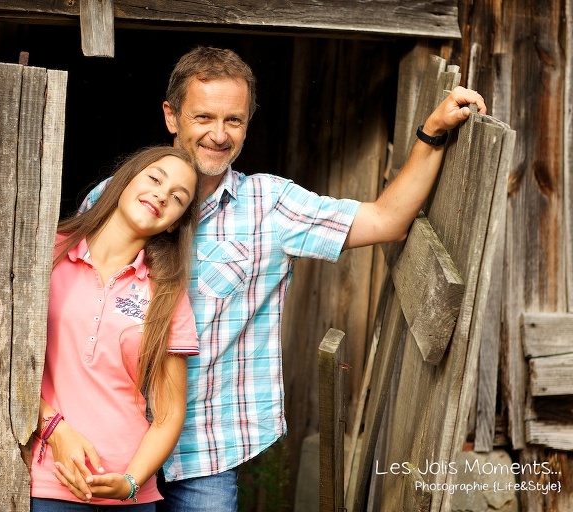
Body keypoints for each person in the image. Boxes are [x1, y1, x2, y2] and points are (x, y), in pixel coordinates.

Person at [63, 46, 488, 511]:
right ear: (171, 116)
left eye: (234, 120)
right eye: (203, 117)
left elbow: (386, 220)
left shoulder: (270, 205)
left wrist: (431, 133)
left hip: (203, 453)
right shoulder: (116, 197)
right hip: (103, 443)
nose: (219, 135)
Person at [29, 145, 202, 511]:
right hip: (49, 483)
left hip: (129, 496)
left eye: (177, 198)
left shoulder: (167, 293)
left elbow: (169, 414)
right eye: (155, 179)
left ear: (174, 222)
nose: (162, 195)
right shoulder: (48, 252)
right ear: (124, 181)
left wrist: (130, 482)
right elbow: (0, 367)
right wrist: (53, 428)